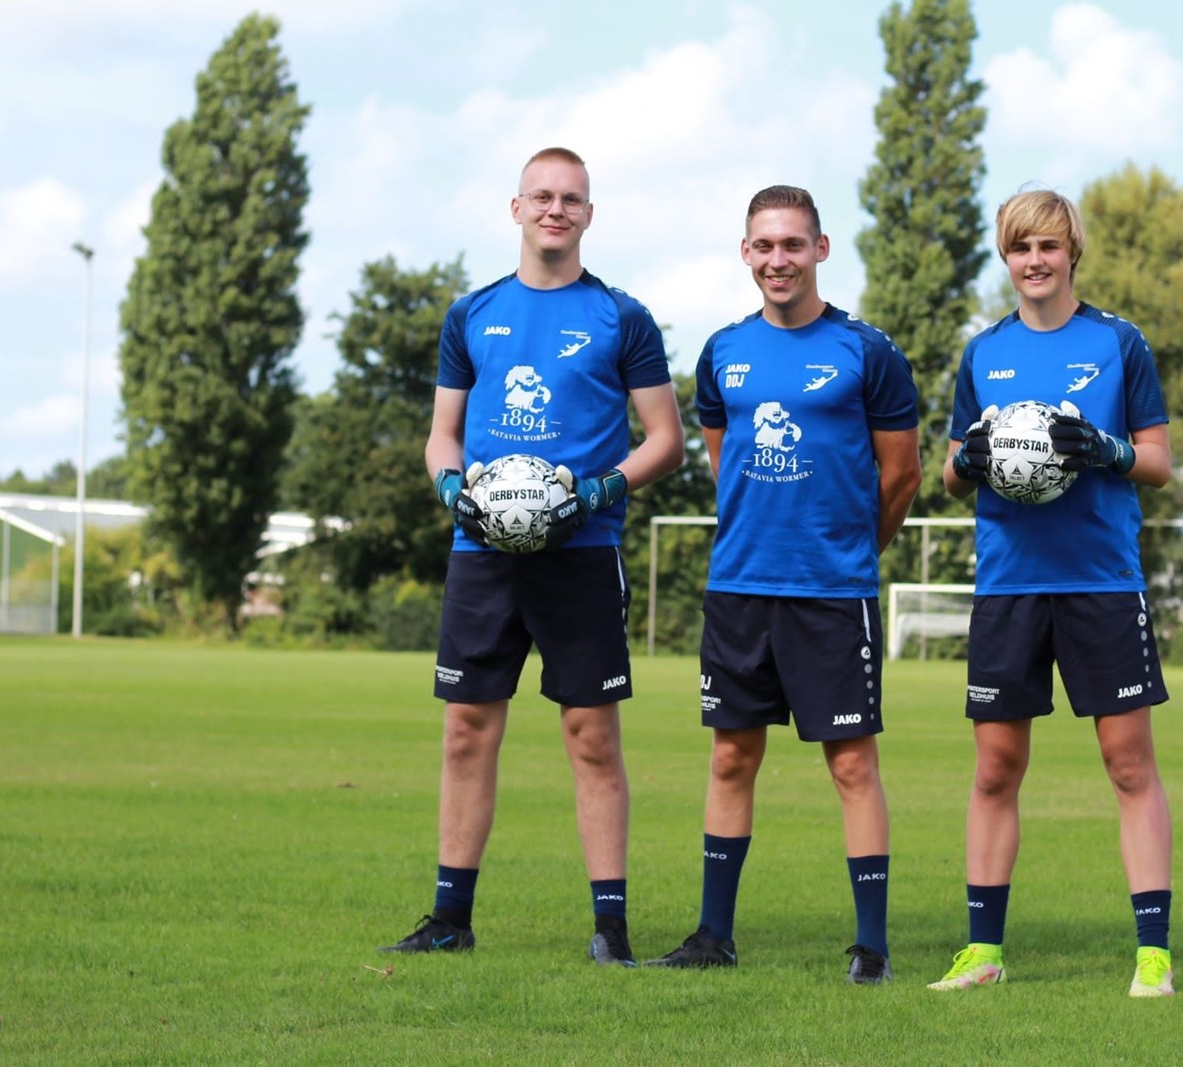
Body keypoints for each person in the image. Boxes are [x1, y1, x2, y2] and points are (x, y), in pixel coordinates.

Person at [379, 147, 685, 967]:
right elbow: (443, 432)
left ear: (589, 215)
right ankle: (450, 916)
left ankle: (611, 928)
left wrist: (593, 492)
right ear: (515, 208)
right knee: (466, 730)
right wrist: (452, 491)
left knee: (591, 735)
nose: (556, 209)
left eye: (572, 199)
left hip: (580, 551)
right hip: (481, 552)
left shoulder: (623, 317)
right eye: (542, 196)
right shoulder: (471, 314)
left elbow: (667, 440)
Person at [644, 185, 921, 985]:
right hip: (740, 588)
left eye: (792, 245)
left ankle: (872, 946)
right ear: (745, 253)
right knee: (732, 756)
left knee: (852, 765)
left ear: (820, 250)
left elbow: (899, 476)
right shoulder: (721, 352)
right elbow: (721, 461)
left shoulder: (868, 351)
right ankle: (713, 935)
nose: (778, 260)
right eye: (763, 246)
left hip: (833, 595)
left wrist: (851, 552)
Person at [928, 187, 1177, 997]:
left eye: (1048, 247)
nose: (1034, 262)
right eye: (1019, 249)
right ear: (1007, 258)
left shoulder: (1117, 343)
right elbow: (950, 465)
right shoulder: (983, 353)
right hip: (1010, 584)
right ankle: (983, 951)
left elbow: (1158, 459)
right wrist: (967, 462)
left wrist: (1104, 447)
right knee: (996, 767)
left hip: (1101, 581)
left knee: (1127, 763)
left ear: (1072, 253)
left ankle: (1153, 955)